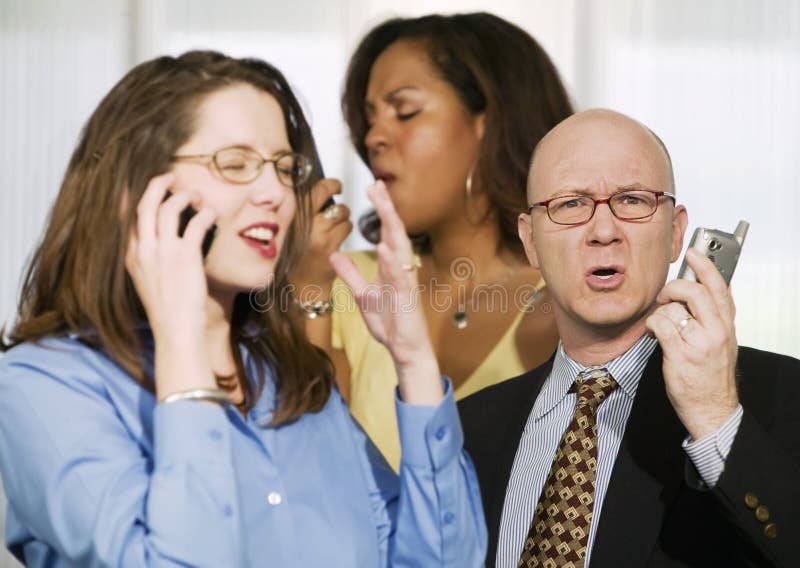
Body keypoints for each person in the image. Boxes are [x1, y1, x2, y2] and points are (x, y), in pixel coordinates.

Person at [0, 50, 487, 567]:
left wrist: (414, 365)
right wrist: (184, 340)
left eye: (284, 167)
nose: (276, 192)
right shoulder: (43, 386)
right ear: (136, 191)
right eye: (235, 164)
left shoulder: (297, 387)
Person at [456, 108, 800, 567]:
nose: (603, 232)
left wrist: (715, 416)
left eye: (634, 200)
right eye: (571, 204)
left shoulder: (779, 394)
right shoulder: (468, 427)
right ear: (531, 240)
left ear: (677, 233)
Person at [292, 12, 573, 470]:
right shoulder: (344, 282)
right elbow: (307, 465)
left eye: (405, 111)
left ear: (488, 120)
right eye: (369, 119)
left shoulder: (571, 305)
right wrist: (307, 288)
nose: (374, 137)